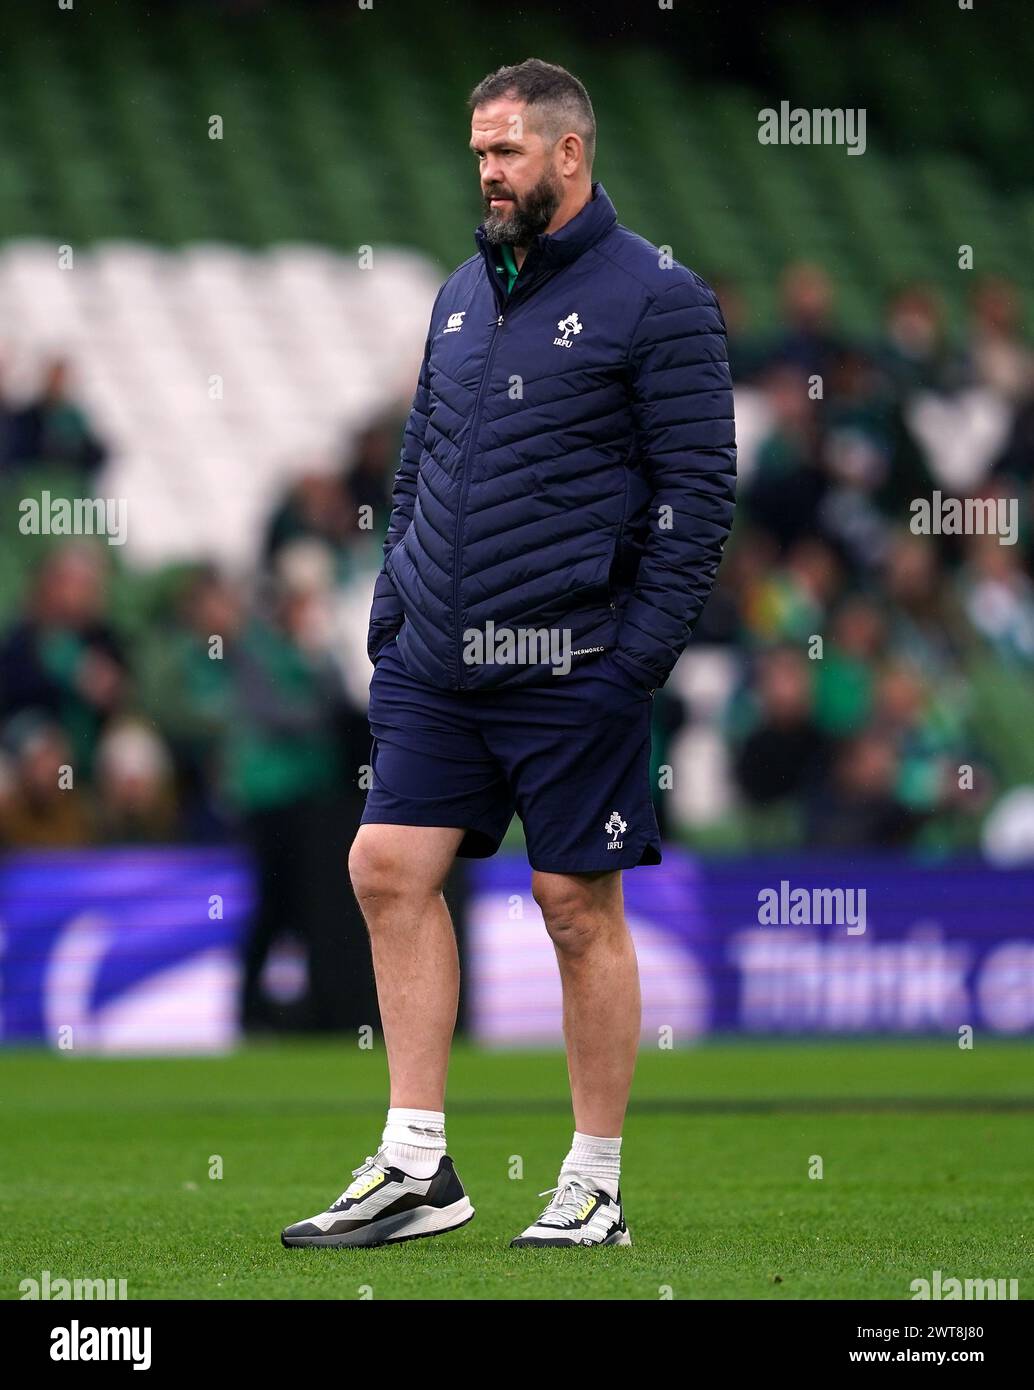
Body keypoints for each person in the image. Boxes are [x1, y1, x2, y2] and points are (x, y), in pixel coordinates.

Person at [281, 58, 736, 1251]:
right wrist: (393, 615)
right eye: (478, 151)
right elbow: (420, 462)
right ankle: (417, 1165)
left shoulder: (661, 299)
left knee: (572, 904)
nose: (485, 171)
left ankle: (591, 1182)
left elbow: (697, 493)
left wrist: (630, 660)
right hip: (435, 658)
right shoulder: (457, 294)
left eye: (506, 151)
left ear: (569, 153)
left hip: (571, 657)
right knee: (385, 866)